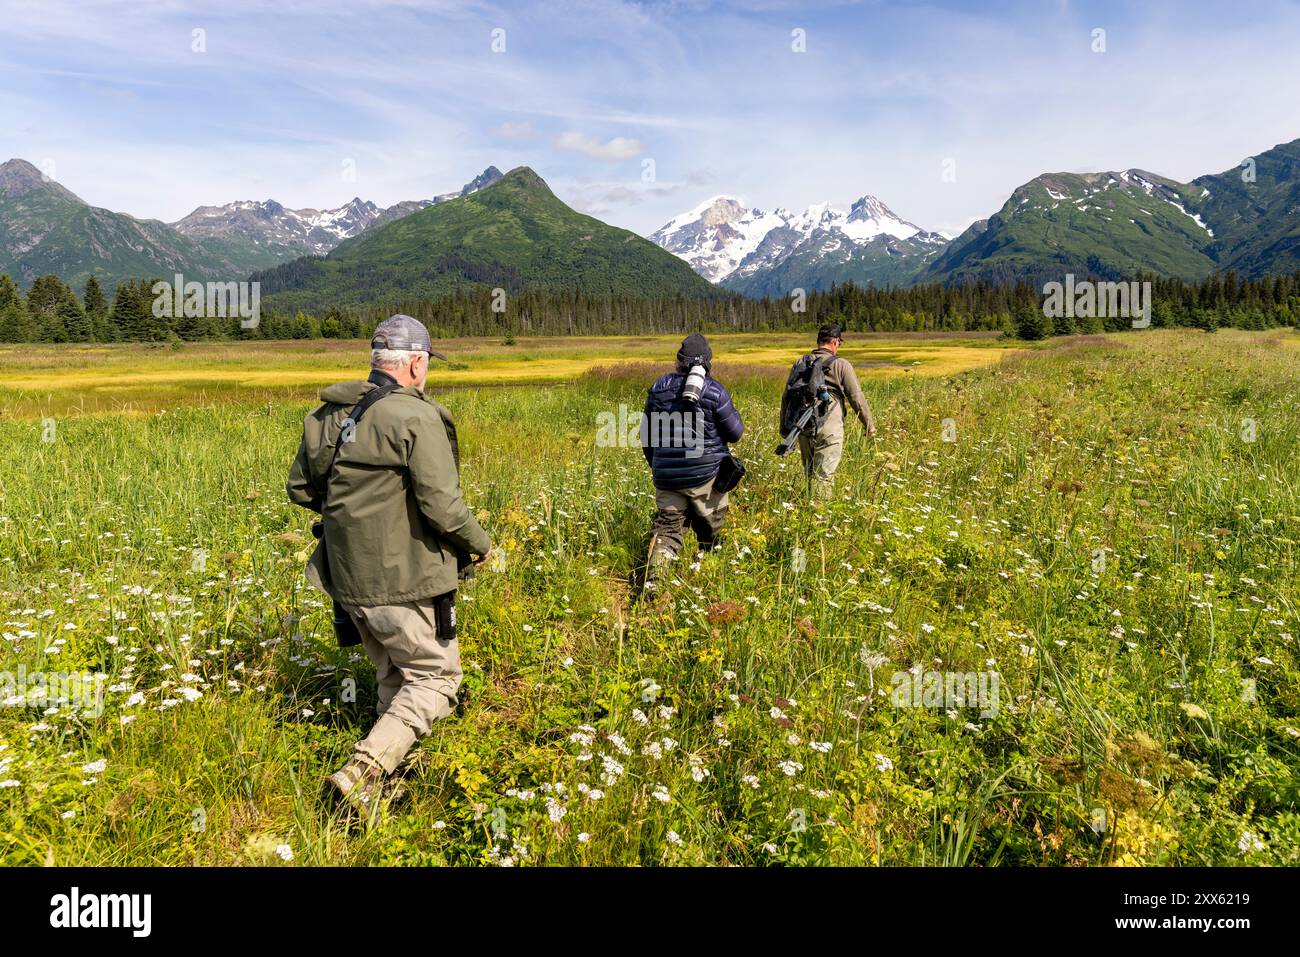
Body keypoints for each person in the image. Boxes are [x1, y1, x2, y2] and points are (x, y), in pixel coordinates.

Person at [286, 314, 492, 813]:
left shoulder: (326, 416)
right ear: (416, 363)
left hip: (346, 577)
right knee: (437, 679)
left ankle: (383, 789)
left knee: (395, 678)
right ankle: (364, 770)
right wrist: (481, 543)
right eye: (427, 365)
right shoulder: (415, 417)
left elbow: (301, 489)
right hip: (405, 577)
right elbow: (443, 506)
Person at [641, 333, 744, 578]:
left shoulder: (658, 388)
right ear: (708, 363)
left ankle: (655, 583)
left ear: (678, 361)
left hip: (667, 478)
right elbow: (735, 433)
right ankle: (708, 575)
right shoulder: (715, 391)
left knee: (667, 532)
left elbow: (646, 436)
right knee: (711, 532)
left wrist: (658, 467)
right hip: (706, 477)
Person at [792, 323, 877, 497]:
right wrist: (869, 425)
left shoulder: (801, 362)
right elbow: (856, 397)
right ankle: (817, 516)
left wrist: (788, 428)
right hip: (830, 426)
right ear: (835, 342)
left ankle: (808, 509)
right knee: (823, 477)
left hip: (803, 425)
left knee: (809, 474)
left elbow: (788, 396)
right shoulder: (841, 365)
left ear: (818, 341)